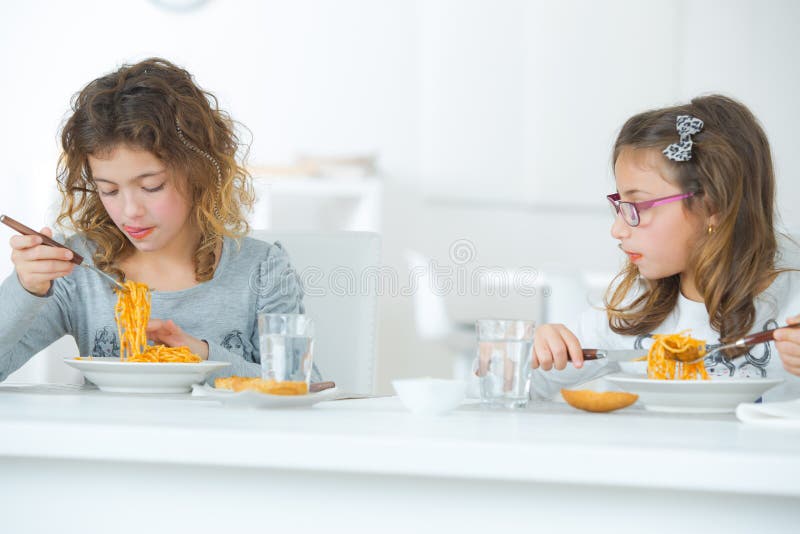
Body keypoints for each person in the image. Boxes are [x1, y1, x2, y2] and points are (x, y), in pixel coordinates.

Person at [0, 57, 308, 382]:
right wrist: (25, 288)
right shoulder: (78, 271)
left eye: (151, 186)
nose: (130, 210)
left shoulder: (263, 269)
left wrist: (201, 357)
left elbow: (299, 385)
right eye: (109, 190)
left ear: (197, 173)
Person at [531, 95, 800, 401]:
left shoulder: (792, 308)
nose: (617, 230)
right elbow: (505, 390)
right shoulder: (630, 316)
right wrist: (534, 352)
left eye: (638, 206)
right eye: (621, 205)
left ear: (714, 205)